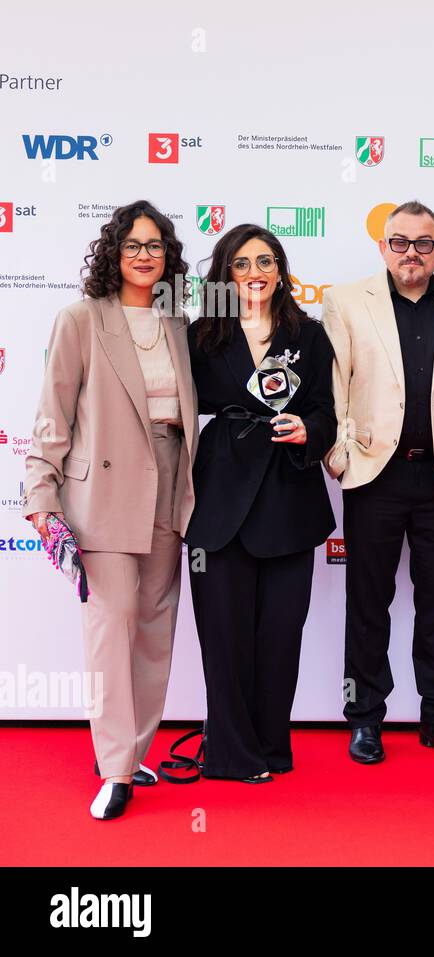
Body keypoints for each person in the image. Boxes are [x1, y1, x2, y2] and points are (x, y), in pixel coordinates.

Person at [24, 200, 197, 819]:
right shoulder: (80, 319)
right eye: (133, 244)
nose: (145, 255)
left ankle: (134, 752)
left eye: (155, 246)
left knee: (155, 630)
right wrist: (40, 492)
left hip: (170, 482)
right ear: (113, 252)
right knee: (110, 629)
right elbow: (54, 412)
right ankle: (115, 767)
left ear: (168, 257)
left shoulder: (179, 324)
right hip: (103, 488)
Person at [321, 201, 434, 764]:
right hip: (374, 477)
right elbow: (333, 386)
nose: (411, 252)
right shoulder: (346, 301)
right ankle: (365, 718)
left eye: (423, 242)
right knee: (368, 603)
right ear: (382, 246)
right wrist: (342, 456)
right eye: (400, 241)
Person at [185, 224, 336, 782]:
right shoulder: (199, 336)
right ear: (225, 273)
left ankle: (273, 747)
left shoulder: (309, 335)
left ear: (281, 269)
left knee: (279, 638)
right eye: (243, 263)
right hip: (217, 505)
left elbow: (327, 410)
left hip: (288, 501)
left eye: (266, 261)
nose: (256, 273)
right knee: (223, 640)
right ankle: (229, 754)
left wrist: (310, 429)